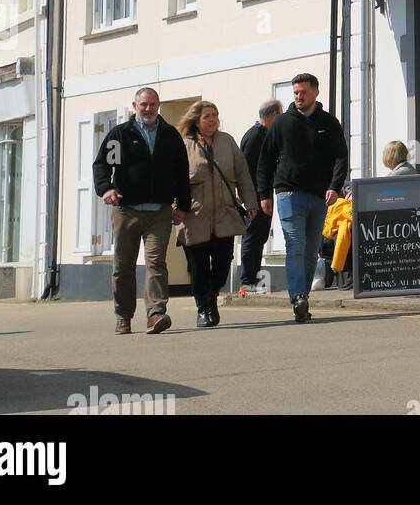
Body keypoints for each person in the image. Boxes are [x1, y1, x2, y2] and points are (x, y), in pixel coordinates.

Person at [93, 87, 191, 335]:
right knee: (123, 266)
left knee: (156, 261)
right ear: (135, 106)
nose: (148, 109)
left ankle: (156, 313)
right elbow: (103, 165)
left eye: (152, 104)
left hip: (160, 210)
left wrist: (183, 206)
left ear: (158, 105)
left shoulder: (170, 135)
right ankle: (123, 316)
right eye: (143, 105)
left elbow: (182, 174)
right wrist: (106, 189)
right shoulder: (120, 134)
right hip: (127, 211)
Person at [257, 73, 349, 323]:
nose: (298, 97)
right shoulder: (281, 123)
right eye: (295, 93)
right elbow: (265, 160)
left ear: (316, 93)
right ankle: (298, 296)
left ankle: (302, 298)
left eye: (303, 92)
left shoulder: (329, 123)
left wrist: (334, 186)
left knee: (310, 253)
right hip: (288, 193)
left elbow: (341, 157)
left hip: (319, 196)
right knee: (295, 246)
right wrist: (264, 194)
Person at [177, 101, 259, 328]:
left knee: (223, 263)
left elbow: (242, 173)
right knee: (199, 266)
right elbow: (174, 180)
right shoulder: (183, 145)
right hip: (195, 215)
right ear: (196, 120)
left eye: (215, 115)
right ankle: (203, 309)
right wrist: (176, 208)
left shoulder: (227, 141)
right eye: (207, 116)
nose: (213, 119)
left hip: (224, 214)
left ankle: (212, 298)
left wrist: (250, 202)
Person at [238, 99, 283, 292]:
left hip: (262, 192)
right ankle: (248, 280)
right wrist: (246, 195)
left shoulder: (263, 134)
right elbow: (246, 168)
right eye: (279, 114)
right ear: (273, 114)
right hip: (254, 194)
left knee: (260, 236)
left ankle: (254, 279)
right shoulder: (256, 136)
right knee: (253, 236)